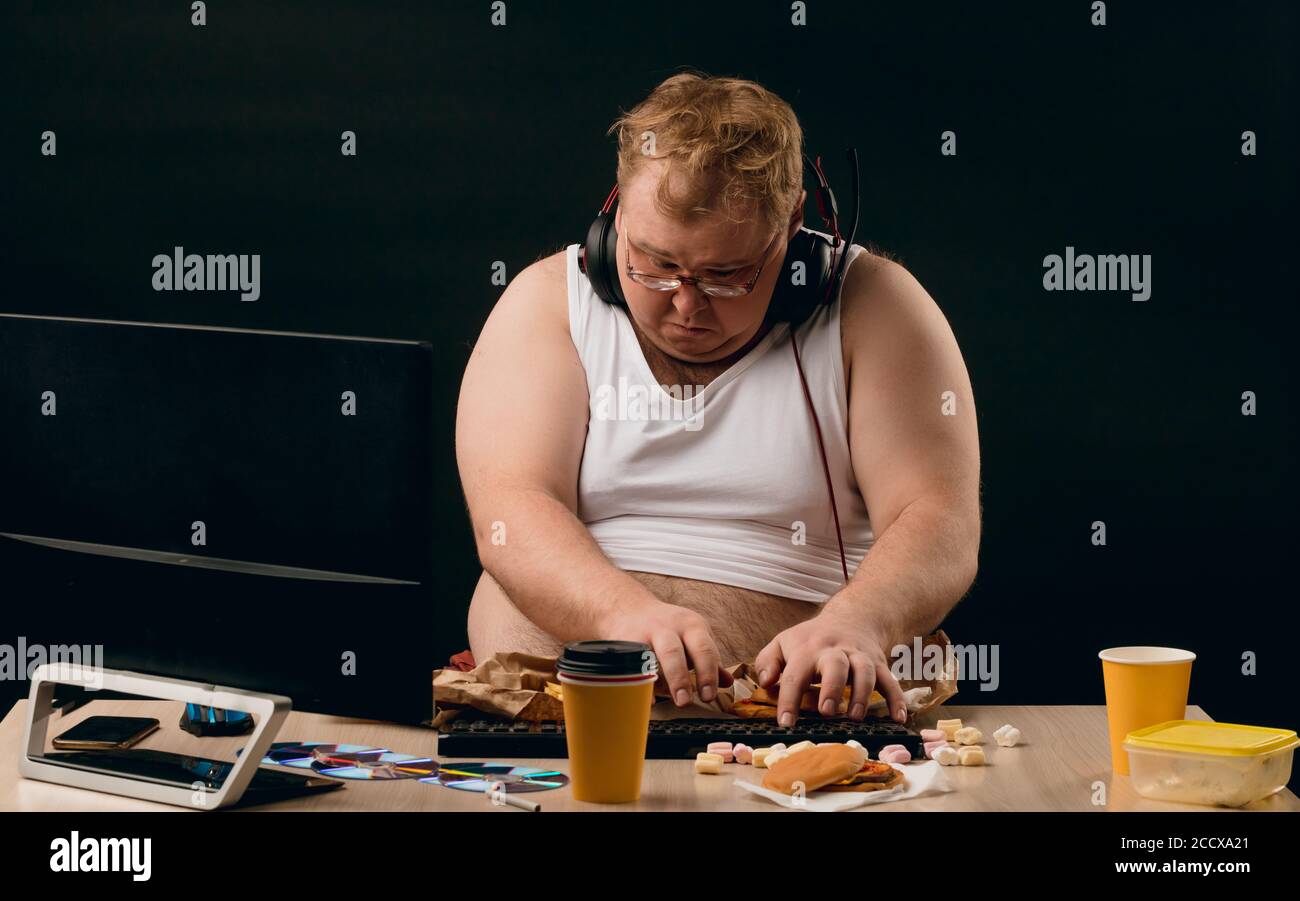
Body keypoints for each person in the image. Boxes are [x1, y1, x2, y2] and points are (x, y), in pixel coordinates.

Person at [456, 72, 980, 726]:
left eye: (725, 275)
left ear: (791, 228)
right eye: (652, 263)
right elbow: (510, 507)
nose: (685, 303)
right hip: (551, 719)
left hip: (785, 728)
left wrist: (859, 622)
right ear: (615, 214)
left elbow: (941, 518)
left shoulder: (876, 308)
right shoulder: (546, 303)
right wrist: (620, 613)